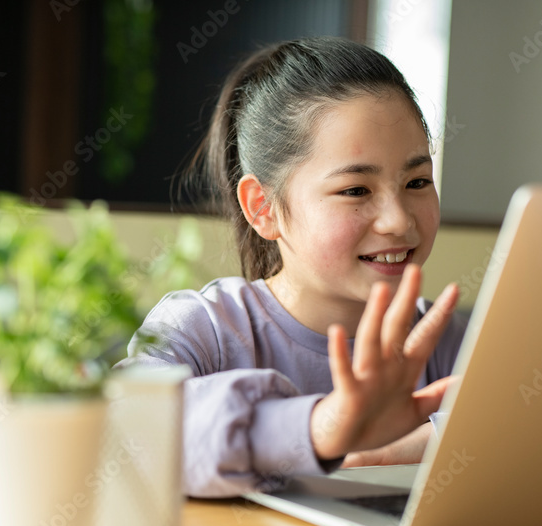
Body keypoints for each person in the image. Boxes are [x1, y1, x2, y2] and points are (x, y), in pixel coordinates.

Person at [116, 36, 470, 498]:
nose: (399, 220)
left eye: (417, 181)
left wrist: (417, 443)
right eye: (355, 190)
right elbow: (126, 432)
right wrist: (323, 427)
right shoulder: (202, 330)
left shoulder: (444, 341)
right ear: (263, 208)